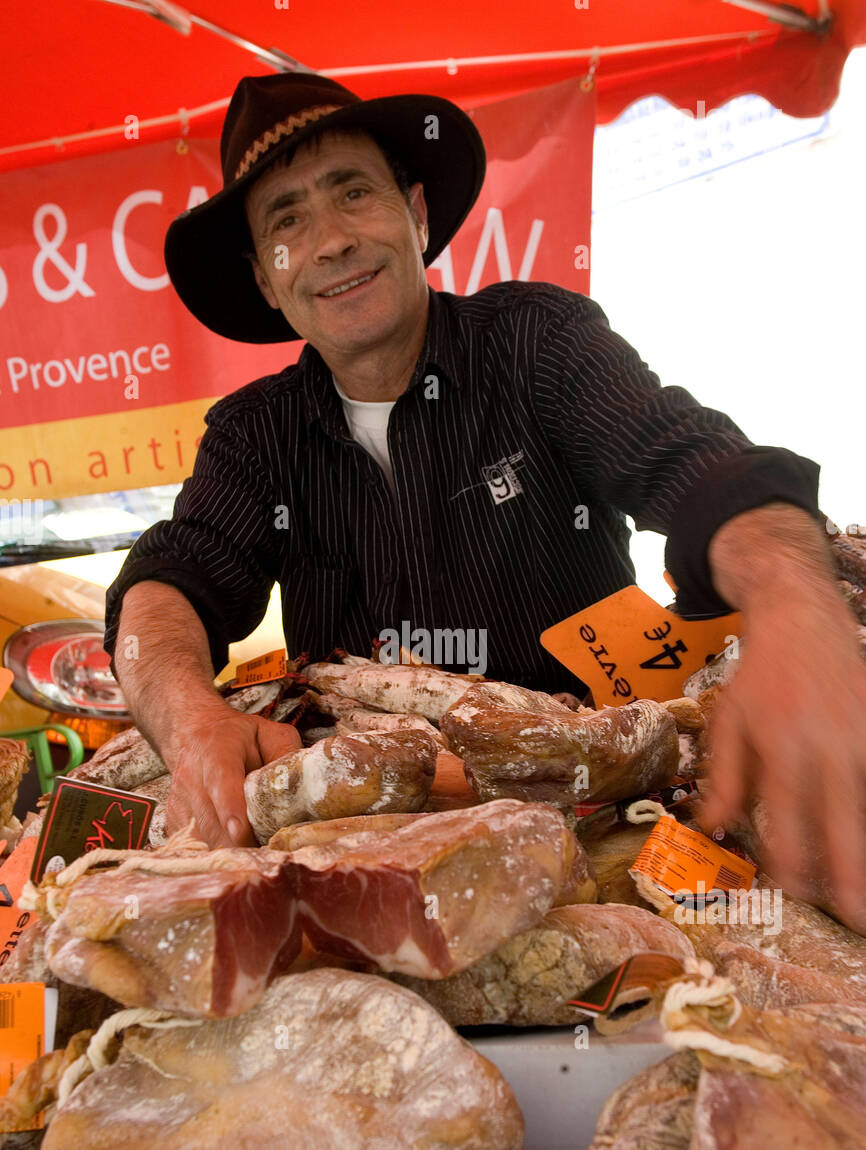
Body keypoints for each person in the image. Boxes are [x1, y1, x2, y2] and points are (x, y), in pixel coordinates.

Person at [104, 72, 866, 933]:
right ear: (267, 281)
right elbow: (171, 579)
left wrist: (793, 598)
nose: (330, 241)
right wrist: (188, 716)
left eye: (354, 192)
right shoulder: (255, 436)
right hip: (374, 861)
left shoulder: (537, 343)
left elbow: (691, 464)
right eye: (287, 220)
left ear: (417, 214)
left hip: (612, 830)